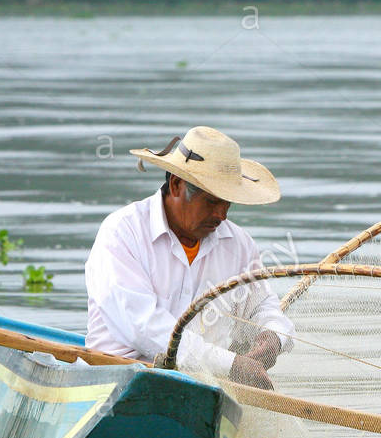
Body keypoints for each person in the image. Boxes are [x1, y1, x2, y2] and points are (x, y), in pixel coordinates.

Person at [84, 126, 292, 389]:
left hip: (203, 386)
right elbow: (143, 327)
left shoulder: (239, 245)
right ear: (175, 185)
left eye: (227, 203)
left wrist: (273, 336)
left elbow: (262, 306)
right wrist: (230, 364)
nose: (222, 215)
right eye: (211, 202)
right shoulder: (123, 233)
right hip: (117, 382)